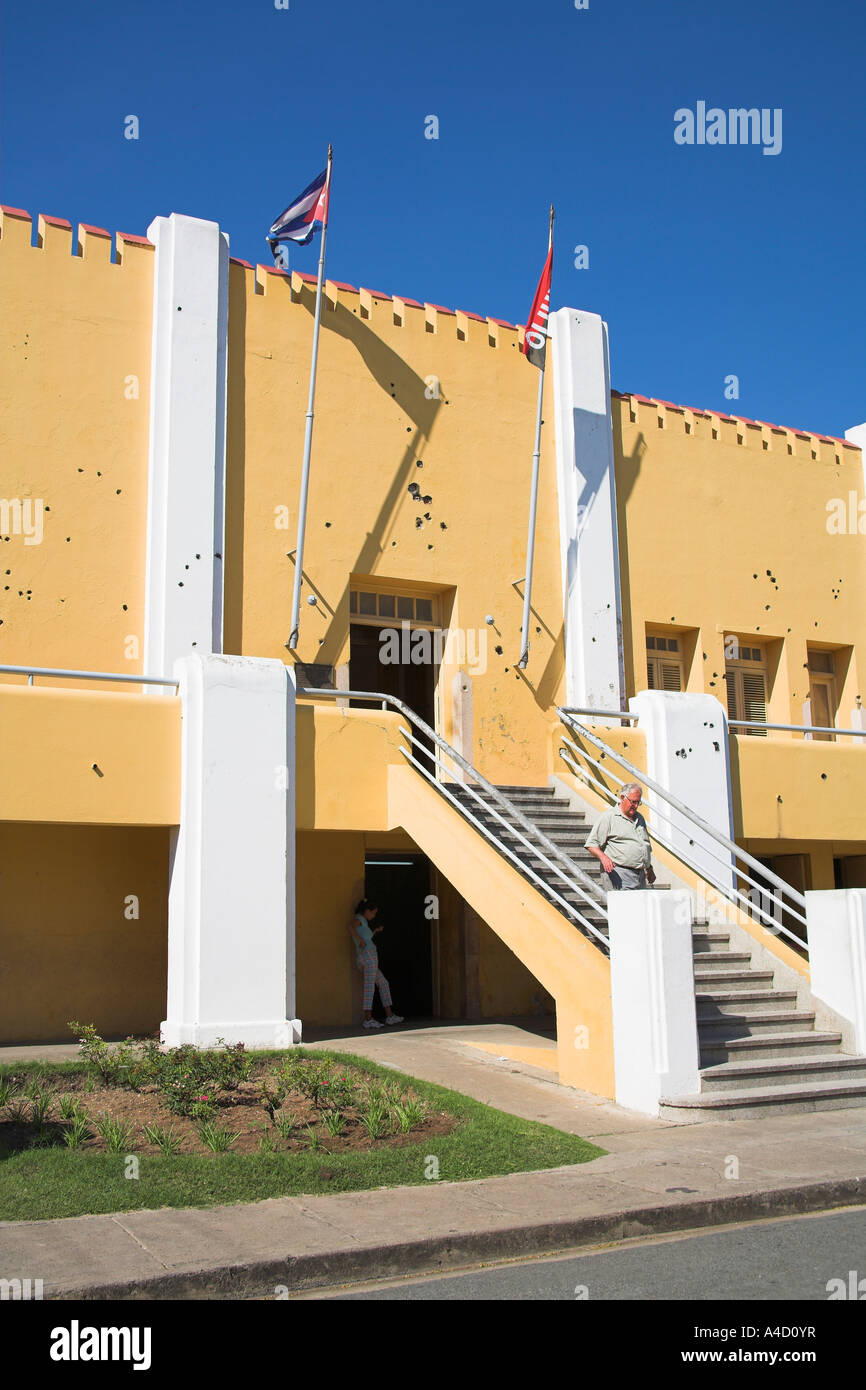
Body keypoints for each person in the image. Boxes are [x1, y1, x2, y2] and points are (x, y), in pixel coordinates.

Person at [585, 782, 656, 890]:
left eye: (638, 802)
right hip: (619, 874)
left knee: (639, 907)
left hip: (640, 875)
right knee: (623, 906)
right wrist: (603, 858)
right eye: (633, 802)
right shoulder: (609, 817)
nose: (636, 806)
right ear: (622, 798)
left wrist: (649, 868)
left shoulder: (640, 818)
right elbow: (591, 844)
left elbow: (644, 844)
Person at [348, 899, 404, 1029]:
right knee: (369, 986)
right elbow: (350, 927)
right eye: (373, 913)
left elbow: (366, 938)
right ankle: (368, 1019)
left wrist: (374, 931)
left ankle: (389, 1016)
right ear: (367, 911)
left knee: (383, 983)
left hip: (368, 955)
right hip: (368, 956)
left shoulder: (363, 922)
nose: (373, 916)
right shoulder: (360, 919)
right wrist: (360, 940)